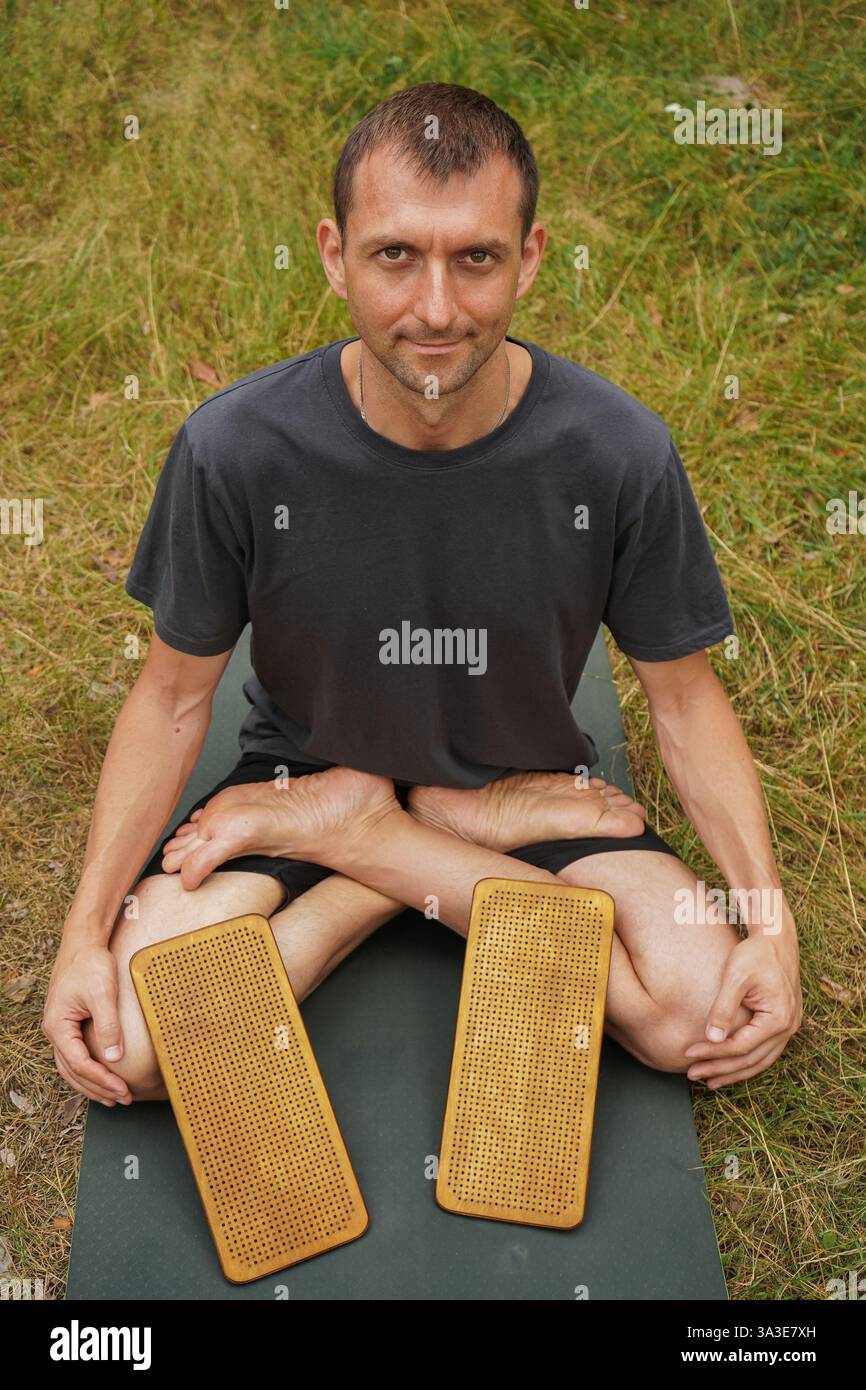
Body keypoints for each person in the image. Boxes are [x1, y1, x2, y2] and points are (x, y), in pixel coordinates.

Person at [43, 82, 802, 1108]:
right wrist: (83, 936)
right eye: (394, 254)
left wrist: (770, 926)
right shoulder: (235, 449)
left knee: (702, 1014)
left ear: (529, 257)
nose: (435, 308)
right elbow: (174, 697)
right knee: (127, 1045)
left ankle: (382, 832)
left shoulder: (616, 451)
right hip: (300, 779)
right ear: (332, 252)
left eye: (475, 257)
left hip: (529, 788)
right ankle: (380, 831)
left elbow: (685, 699)